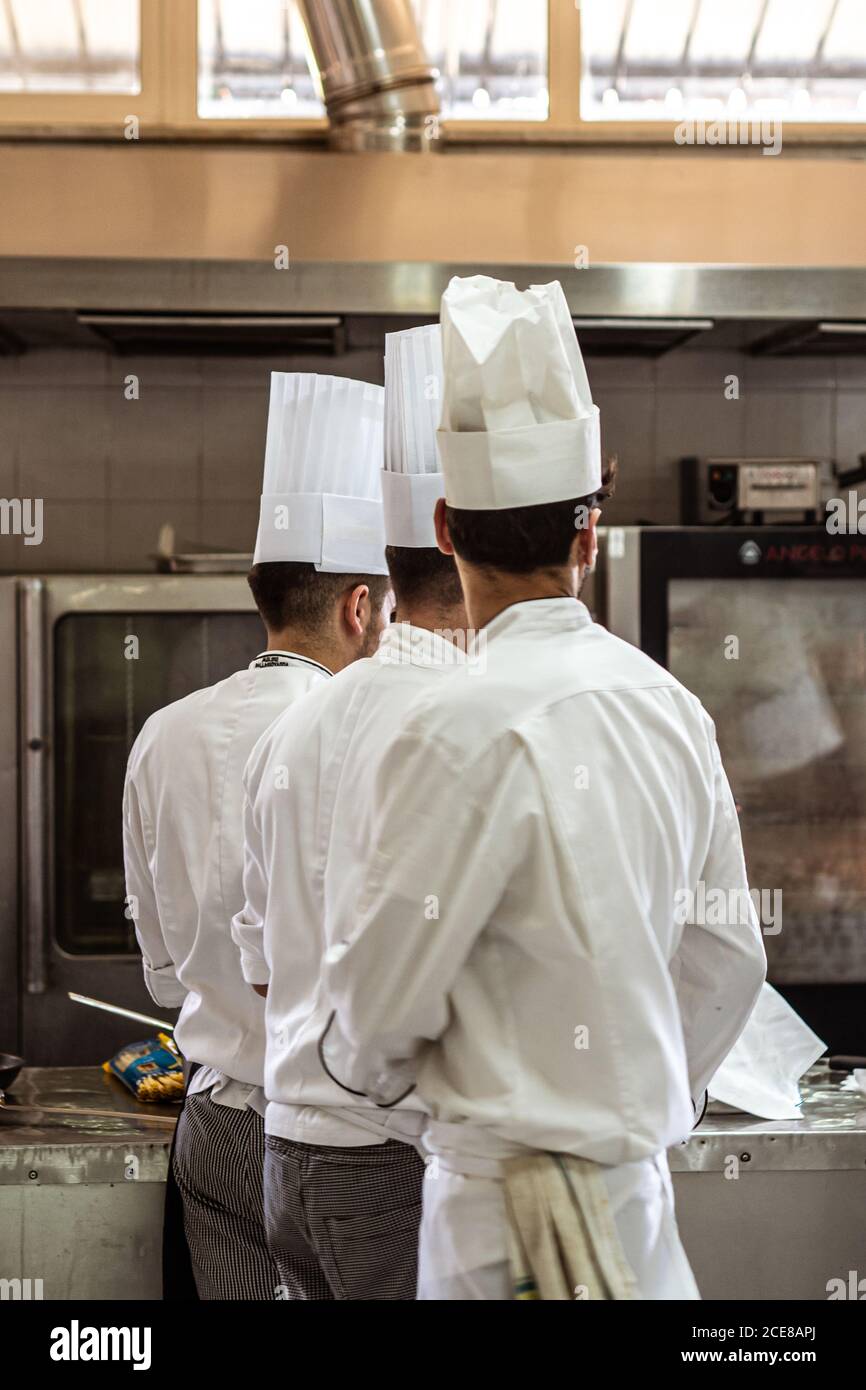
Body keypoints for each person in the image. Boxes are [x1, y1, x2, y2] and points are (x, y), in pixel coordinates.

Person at [318, 275, 768, 1301]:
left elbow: (379, 1005)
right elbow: (727, 958)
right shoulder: (668, 709)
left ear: (442, 526)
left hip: (496, 1220)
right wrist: (633, 1090)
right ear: (588, 536)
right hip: (640, 1209)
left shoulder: (442, 723)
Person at [122, 372, 392, 1300]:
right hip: (337, 1133)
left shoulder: (164, 732)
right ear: (361, 607)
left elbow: (162, 973)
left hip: (214, 1125)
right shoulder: (363, 732)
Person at [231, 324, 468, 1301]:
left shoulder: (294, 723)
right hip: (384, 1154)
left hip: (289, 1146)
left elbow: (255, 953)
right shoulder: (448, 719)